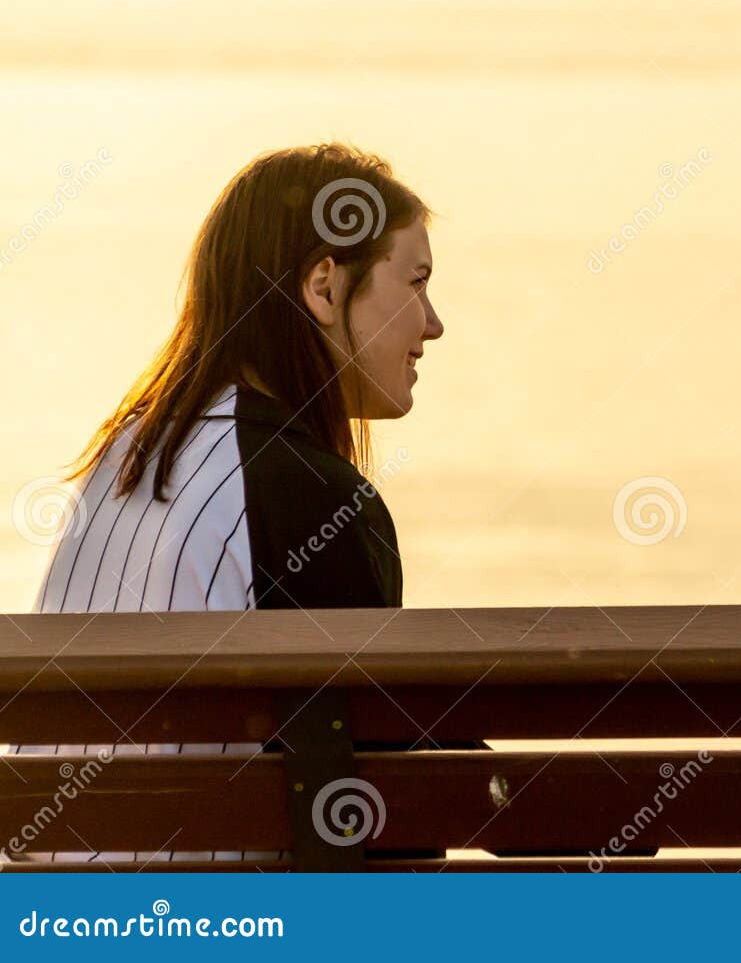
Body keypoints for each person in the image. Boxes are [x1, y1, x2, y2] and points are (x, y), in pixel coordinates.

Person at [3, 143, 445, 864]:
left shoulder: (128, 450)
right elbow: (387, 813)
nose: (431, 325)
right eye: (415, 283)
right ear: (325, 288)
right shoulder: (309, 495)